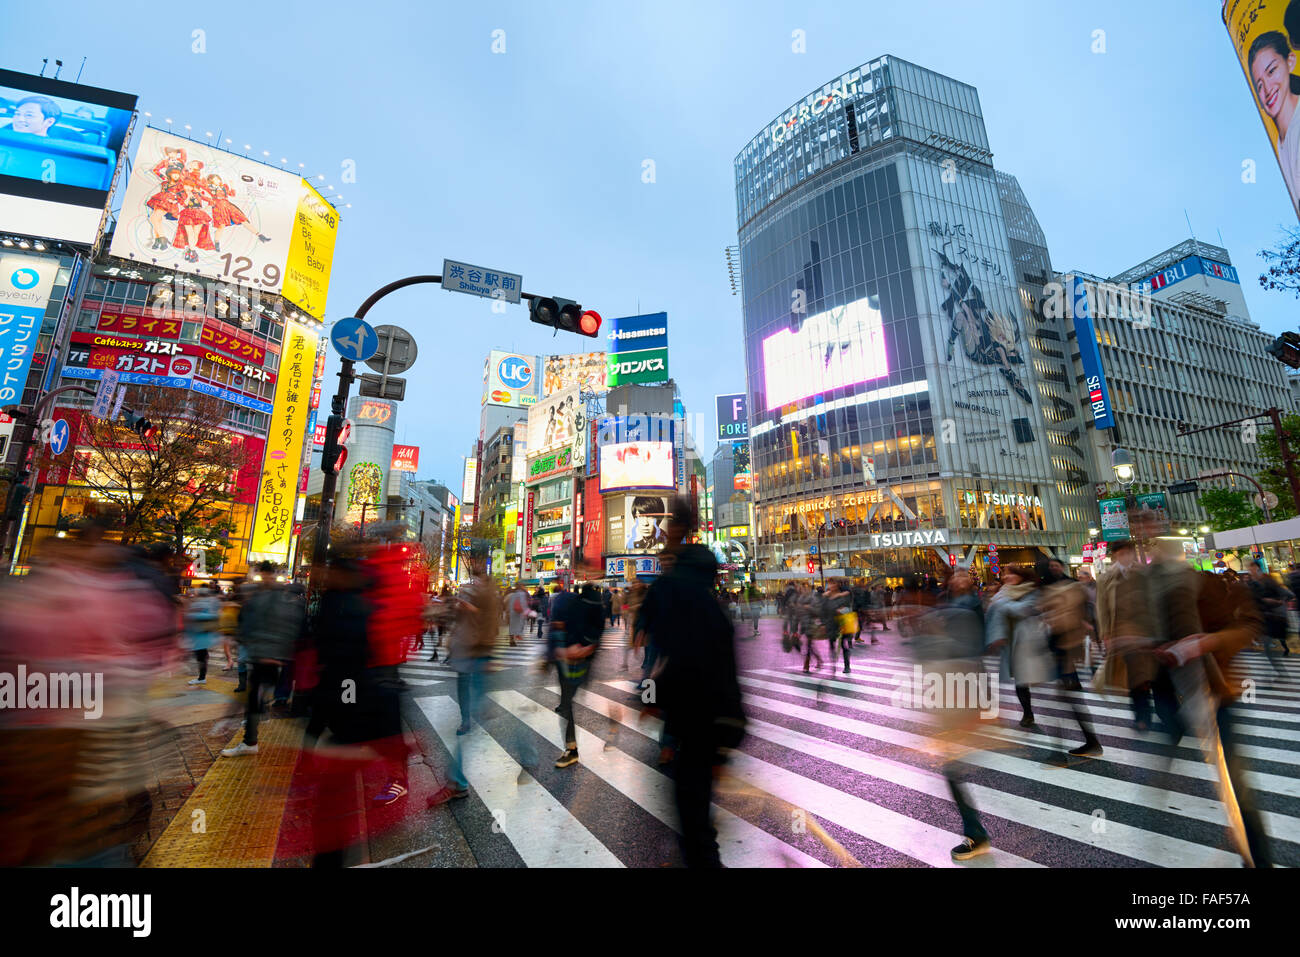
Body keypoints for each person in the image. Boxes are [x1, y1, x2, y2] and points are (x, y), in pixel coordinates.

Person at [636, 497, 745, 867]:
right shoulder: (711, 603)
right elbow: (723, 666)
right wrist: (729, 736)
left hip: (690, 716)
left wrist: (649, 697)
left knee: (695, 822)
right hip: (714, 717)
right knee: (697, 817)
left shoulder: (668, 591)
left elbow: (660, 663)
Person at [428, 558, 500, 806]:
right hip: (466, 654)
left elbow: (491, 621)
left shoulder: (488, 592)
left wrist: (487, 650)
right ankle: (527, 750)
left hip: (477, 655)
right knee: (473, 708)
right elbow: (455, 615)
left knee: (473, 721)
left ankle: (456, 782)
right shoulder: (469, 589)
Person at [222, 563, 305, 757]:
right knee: (255, 695)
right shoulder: (271, 597)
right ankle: (252, 730)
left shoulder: (273, 598)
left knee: (253, 697)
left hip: (268, 656)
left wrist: (273, 653)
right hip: (265, 655)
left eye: (267, 575)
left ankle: (249, 740)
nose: (265, 578)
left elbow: (279, 627)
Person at [984, 565, 1052, 731]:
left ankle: (1039, 714)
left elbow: (1023, 610)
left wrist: (1003, 604)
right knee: (1021, 681)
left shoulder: (1032, 591)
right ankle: (1027, 713)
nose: (1007, 577)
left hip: (1028, 639)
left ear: (1021, 575)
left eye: (1011, 573)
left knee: (1029, 677)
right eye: (1005, 574)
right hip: (1011, 641)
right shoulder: (1002, 593)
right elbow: (993, 614)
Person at [553, 583, 605, 769]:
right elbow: (560, 626)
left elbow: (597, 628)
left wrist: (586, 648)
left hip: (578, 660)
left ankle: (571, 749)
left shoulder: (591, 599)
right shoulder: (570, 600)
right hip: (567, 659)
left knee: (567, 703)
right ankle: (571, 748)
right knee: (566, 703)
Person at [1248, 31, 1300, 214]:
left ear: (1290, 61)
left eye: (1271, 71)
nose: (1267, 89)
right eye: (1259, 85)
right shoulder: (1281, 142)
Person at [1246, 559, 1292, 659]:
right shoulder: (1253, 584)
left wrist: (1277, 602)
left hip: (1274, 616)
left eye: (1252, 569)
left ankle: (1284, 650)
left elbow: (1288, 595)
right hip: (1266, 618)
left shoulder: (1268, 581)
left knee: (1273, 646)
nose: (1250, 571)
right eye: (1249, 569)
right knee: (1269, 651)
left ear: (1257, 568)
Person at [184, 581, 222, 686]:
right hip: (202, 636)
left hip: (201, 636)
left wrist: (194, 615)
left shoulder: (202, 604)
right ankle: (201, 677)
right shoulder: (209, 603)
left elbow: (210, 617)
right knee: (202, 656)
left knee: (201, 657)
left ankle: (201, 678)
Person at [505, 582, 530, 648]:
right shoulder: (522, 594)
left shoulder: (510, 595)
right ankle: (517, 635)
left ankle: (512, 640)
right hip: (519, 613)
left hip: (511, 612)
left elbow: (505, 602)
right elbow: (523, 603)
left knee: (512, 627)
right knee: (518, 625)